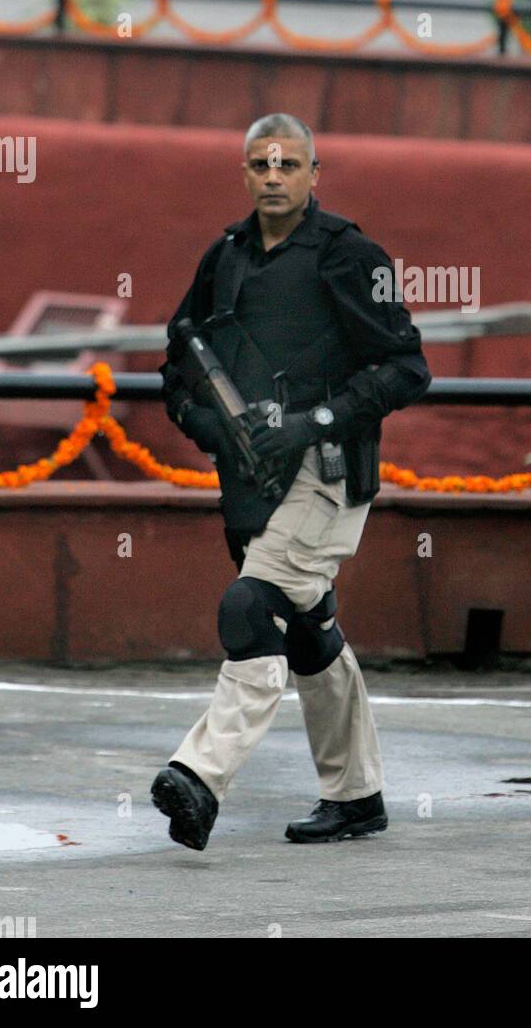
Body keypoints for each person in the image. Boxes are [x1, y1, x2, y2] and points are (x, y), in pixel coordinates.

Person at [152, 113, 431, 849]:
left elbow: (407, 368)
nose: (273, 176)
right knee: (309, 633)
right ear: (245, 173)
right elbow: (177, 362)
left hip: (326, 471)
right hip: (249, 478)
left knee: (253, 608)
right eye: (260, 164)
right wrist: (210, 429)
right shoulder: (227, 254)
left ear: (315, 174)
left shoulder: (349, 255)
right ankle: (358, 795)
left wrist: (317, 421)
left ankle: (199, 778)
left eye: (288, 164)